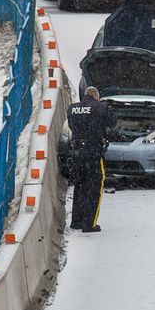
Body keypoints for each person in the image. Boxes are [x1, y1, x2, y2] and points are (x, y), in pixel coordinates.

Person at [66, 86, 116, 233]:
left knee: (80, 185)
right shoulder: (101, 107)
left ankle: (77, 221)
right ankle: (90, 223)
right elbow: (112, 123)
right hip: (93, 152)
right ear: (97, 97)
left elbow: (71, 126)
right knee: (94, 187)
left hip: (77, 153)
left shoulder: (72, 108)